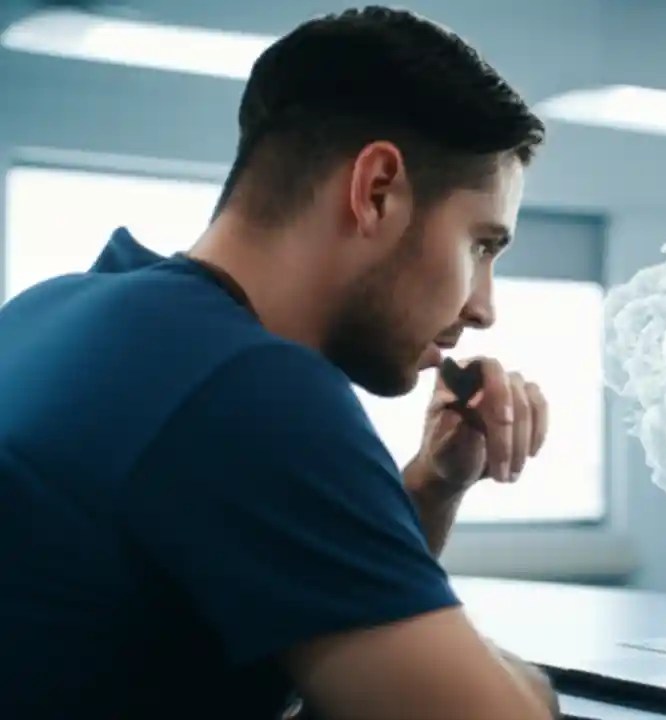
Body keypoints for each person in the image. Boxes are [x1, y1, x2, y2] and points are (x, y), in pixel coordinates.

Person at [0, 7, 560, 719]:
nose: (484, 308)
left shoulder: (56, 311)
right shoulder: (249, 387)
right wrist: (528, 689)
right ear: (377, 191)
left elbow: (301, 616)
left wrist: (432, 486)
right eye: (481, 245)